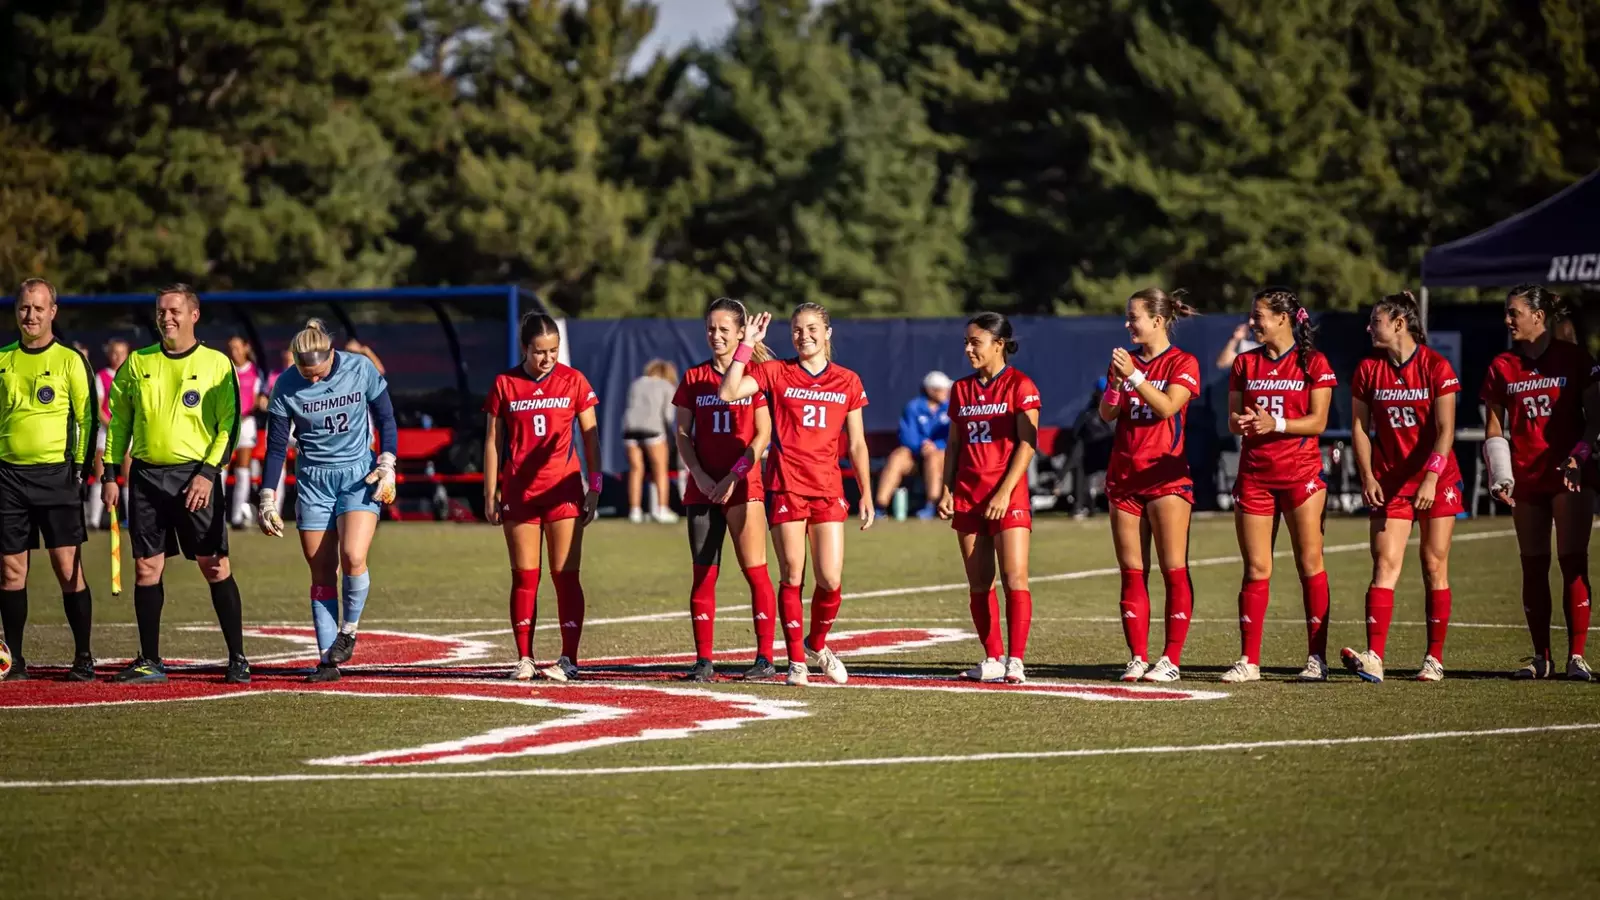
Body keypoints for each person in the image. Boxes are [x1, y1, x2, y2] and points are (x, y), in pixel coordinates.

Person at [719, 303, 873, 686]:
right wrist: (747, 345)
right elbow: (729, 390)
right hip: (786, 485)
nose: (804, 336)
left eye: (812, 329)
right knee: (792, 574)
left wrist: (867, 492)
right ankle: (797, 664)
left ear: (828, 333)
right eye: (797, 330)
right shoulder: (776, 372)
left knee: (831, 578)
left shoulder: (848, 380)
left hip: (828, 488)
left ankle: (816, 643)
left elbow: (857, 444)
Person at [102, 284, 249, 684]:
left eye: (174, 311)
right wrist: (111, 473)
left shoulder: (217, 364)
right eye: (161, 311)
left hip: (196, 476)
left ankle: (237, 658)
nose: (166, 318)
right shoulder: (136, 364)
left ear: (194, 315)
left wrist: (208, 473)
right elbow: (119, 424)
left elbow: (228, 427)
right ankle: (150, 660)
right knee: (146, 568)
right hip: (147, 477)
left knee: (214, 565)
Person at [257, 320, 399, 682]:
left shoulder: (359, 367)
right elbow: (276, 447)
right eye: (306, 374)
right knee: (320, 570)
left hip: (358, 475)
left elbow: (385, 416)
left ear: (331, 354)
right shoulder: (286, 384)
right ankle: (326, 660)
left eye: (318, 373)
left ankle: (348, 631)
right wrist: (267, 497)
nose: (313, 381)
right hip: (313, 481)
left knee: (353, 555)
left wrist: (388, 461)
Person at [1339, 291, 1464, 684]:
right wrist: (1368, 475)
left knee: (1433, 564)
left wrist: (1430, 475)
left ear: (1398, 323)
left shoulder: (1435, 365)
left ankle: (1433, 659)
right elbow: (1360, 429)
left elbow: (1446, 431)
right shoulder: (1368, 370)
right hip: (1389, 483)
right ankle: (1374, 656)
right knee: (1384, 565)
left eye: (1375, 320)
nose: (1368, 327)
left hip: (1436, 479)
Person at [1223, 287, 1337, 683]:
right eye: (1253, 316)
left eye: (1260, 316)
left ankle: (1316, 659)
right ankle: (1248, 660)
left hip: (1301, 476)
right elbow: (1232, 419)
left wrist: (1279, 424)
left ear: (1284, 318)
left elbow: (1319, 422)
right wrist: (1241, 423)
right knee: (1256, 569)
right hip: (1255, 476)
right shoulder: (1244, 364)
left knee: (1310, 564)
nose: (1254, 322)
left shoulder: (1314, 362)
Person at [1482, 285, 1596, 680]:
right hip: (1526, 478)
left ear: (1539, 316)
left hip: (1569, 475)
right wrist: (1501, 474)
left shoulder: (1575, 358)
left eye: (1514, 312)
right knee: (1533, 566)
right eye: (1507, 312)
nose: (1507, 320)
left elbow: (1596, 418)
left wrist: (1579, 456)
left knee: (1572, 561)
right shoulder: (1502, 366)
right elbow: (1495, 426)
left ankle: (1576, 657)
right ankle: (1541, 657)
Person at [483, 314, 601, 682]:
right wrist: (490, 491)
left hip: (563, 491)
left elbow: (592, 438)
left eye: (553, 351)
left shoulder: (574, 381)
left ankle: (569, 659)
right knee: (524, 576)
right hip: (519, 492)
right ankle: (524, 657)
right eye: (539, 352)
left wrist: (594, 486)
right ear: (524, 349)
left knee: (565, 576)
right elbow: (493, 441)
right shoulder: (505, 383)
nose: (548, 358)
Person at [1099, 288, 1201, 683]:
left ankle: (1170, 659)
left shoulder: (1182, 361)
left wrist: (1134, 376)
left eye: (1134, 317)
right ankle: (1137, 657)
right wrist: (1115, 384)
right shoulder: (1126, 363)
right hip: (1124, 477)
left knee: (1173, 568)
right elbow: (1108, 413)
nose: (1127, 324)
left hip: (1166, 478)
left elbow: (1167, 407)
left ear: (1158, 321)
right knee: (1132, 570)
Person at [673, 299, 777, 681]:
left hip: (742, 484)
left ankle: (765, 657)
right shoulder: (693, 377)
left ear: (739, 333)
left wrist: (735, 475)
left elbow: (763, 434)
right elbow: (683, 434)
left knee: (756, 571)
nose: (715, 336)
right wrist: (698, 473)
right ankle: (703, 660)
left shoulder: (755, 376)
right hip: (702, 488)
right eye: (710, 329)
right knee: (703, 574)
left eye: (723, 330)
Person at [0, 278, 96, 682]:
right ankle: (15, 658)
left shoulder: (70, 360)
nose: (31, 315)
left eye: (39, 308)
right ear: (16, 311)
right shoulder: (3, 358)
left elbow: (88, 418)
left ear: (53, 311)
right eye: (24, 307)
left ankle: (83, 656)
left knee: (67, 567)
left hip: (57, 476)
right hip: (7, 477)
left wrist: (81, 468)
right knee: (9, 570)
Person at [938, 313, 1039, 684]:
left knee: (1015, 577)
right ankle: (993, 657)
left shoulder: (1020, 385)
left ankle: (1016, 660)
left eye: (975, 342)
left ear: (999, 344)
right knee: (979, 584)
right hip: (968, 496)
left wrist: (1004, 491)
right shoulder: (960, 389)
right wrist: (947, 488)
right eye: (966, 342)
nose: (968, 349)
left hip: (1007, 496)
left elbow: (1028, 444)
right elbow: (953, 444)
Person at [874, 371, 951, 519]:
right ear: (930, 390)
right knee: (897, 457)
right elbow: (907, 434)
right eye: (942, 389)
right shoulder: (913, 407)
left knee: (934, 457)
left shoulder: (950, 408)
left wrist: (936, 445)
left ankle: (931, 505)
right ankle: (880, 506)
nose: (946, 392)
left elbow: (952, 437)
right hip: (916, 457)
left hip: (940, 458)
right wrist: (921, 446)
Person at [624, 359, 680, 524]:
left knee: (636, 471)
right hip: (654, 430)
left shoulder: (636, 384)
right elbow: (668, 416)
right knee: (660, 470)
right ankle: (662, 509)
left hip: (629, 430)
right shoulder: (667, 386)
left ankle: (635, 511)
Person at [85, 338, 130, 530]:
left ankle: (131, 518)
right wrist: (112, 426)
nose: (117, 356)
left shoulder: (132, 376)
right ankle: (94, 520)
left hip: (128, 433)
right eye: (114, 352)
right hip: (106, 432)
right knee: (100, 474)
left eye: (121, 352)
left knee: (129, 475)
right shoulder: (101, 376)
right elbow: (98, 406)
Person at [225, 336, 262, 529]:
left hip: (246, 425)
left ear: (246, 348)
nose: (234, 352)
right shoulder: (225, 370)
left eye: (238, 348)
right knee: (221, 468)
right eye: (231, 348)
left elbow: (257, 399)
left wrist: (251, 408)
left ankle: (238, 515)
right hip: (227, 426)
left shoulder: (255, 372)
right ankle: (217, 514)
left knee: (242, 470)